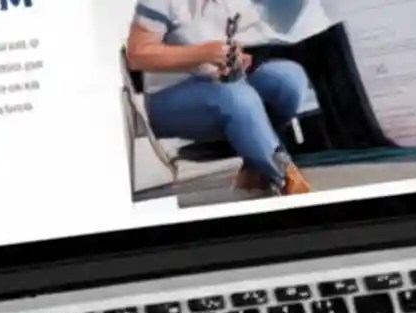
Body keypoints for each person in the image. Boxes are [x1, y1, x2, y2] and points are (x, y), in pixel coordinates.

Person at [128, 0, 313, 196]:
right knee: (238, 98)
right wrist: (201, 54)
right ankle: (287, 181)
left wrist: (236, 60)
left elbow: (228, 44)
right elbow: (138, 54)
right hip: (167, 98)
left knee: (287, 79)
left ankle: (255, 166)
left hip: (222, 84)